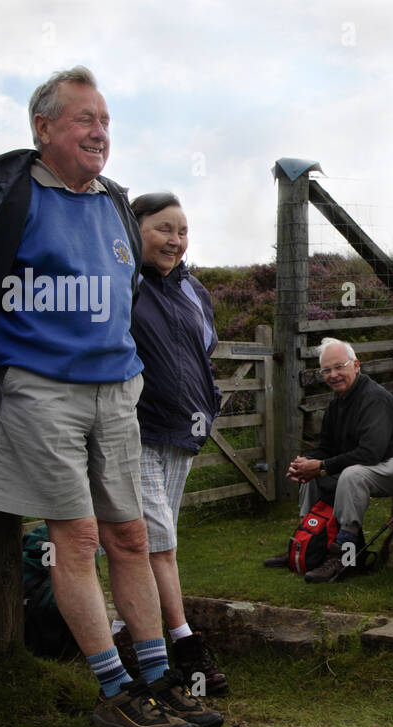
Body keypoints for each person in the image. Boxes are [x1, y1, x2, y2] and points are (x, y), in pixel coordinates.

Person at [0, 66, 218, 727]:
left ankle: (156, 681)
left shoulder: (113, 202)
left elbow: (124, 288)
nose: (100, 132)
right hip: (42, 392)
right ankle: (113, 688)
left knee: (130, 536)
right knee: (73, 540)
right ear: (43, 128)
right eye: (84, 120)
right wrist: (26, 349)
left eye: (105, 120)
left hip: (117, 389)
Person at [108, 192, 227, 695]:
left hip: (184, 433)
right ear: (135, 230)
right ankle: (183, 643)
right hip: (136, 428)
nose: (175, 240)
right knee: (157, 542)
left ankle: (122, 634)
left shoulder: (193, 289)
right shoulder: (121, 279)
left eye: (182, 231)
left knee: (153, 539)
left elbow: (205, 350)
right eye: (163, 228)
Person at [275, 337, 393, 582]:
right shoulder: (336, 404)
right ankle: (307, 542)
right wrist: (305, 463)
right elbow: (326, 447)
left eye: (340, 367)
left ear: (356, 365)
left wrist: (322, 466)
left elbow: (369, 454)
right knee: (310, 477)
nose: (333, 374)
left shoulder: (374, 398)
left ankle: (345, 556)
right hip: (379, 465)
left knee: (352, 474)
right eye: (326, 370)